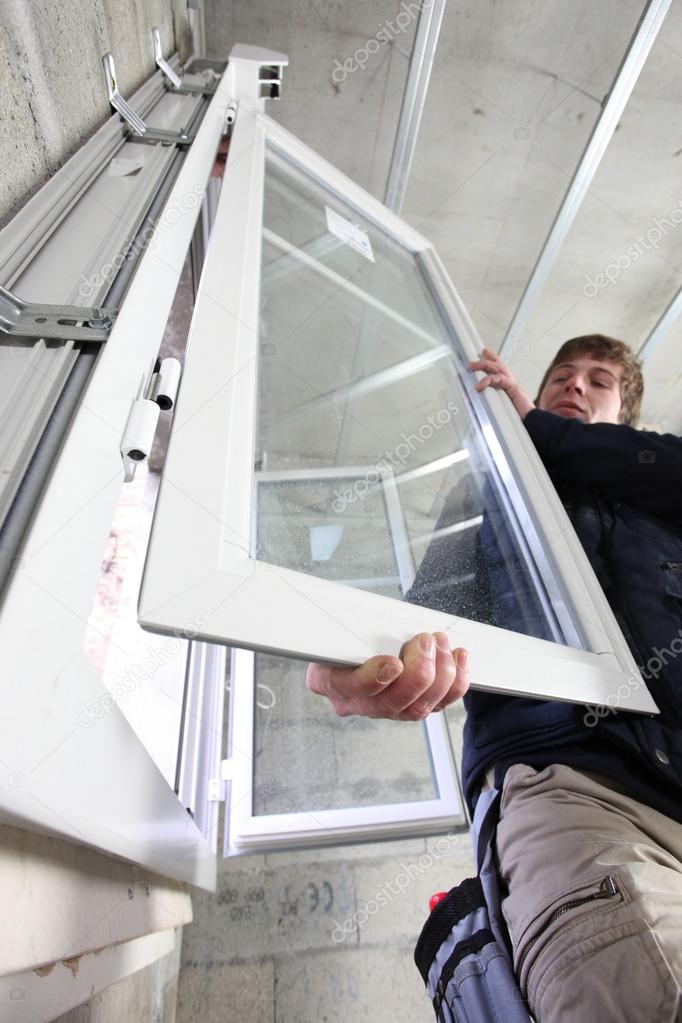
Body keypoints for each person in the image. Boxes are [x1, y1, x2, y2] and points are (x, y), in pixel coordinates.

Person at [307, 335, 682, 1021]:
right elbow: (431, 617)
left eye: (599, 381)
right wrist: (370, 660)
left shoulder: (662, 480)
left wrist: (538, 429)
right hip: (575, 791)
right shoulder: (487, 490)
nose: (576, 385)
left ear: (625, 414)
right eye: (562, 376)